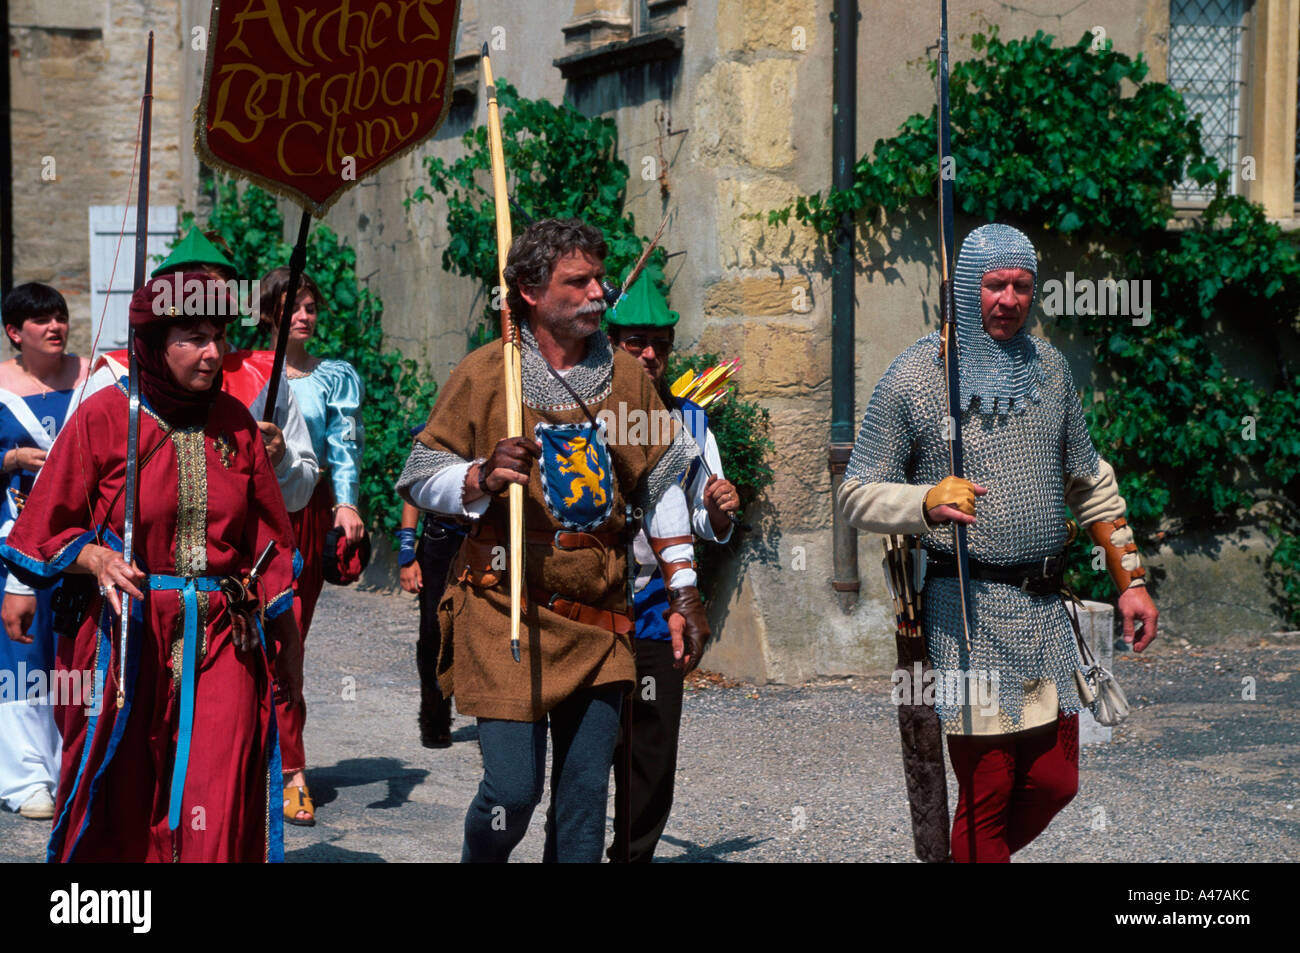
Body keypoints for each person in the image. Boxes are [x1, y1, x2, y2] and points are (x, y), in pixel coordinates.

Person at [837, 223, 1159, 863]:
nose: (1008, 299)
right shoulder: (917, 377)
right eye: (993, 285)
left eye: (1020, 286)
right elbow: (855, 492)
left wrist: (1133, 580)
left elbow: (1091, 483)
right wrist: (923, 501)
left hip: (1044, 614)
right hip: (966, 615)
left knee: (1056, 781)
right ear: (964, 289)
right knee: (986, 795)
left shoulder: (1050, 371)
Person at [396, 218, 710, 863]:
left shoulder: (624, 378)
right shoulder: (488, 376)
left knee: (585, 795)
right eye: (580, 280)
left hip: (599, 620)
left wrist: (684, 590)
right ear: (531, 293)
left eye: (599, 277)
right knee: (512, 792)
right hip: (504, 606)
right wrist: (481, 475)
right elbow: (419, 476)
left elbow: (658, 485)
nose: (599, 292)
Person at [0, 273, 303, 862]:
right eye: (192, 337)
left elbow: (272, 542)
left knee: (216, 783)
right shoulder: (105, 418)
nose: (213, 352)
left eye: (217, 336)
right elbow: (43, 527)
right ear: (155, 343)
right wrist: (93, 556)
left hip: (224, 635)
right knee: (124, 790)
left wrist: (287, 645)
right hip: (126, 634)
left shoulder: (238, 426)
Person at [603, 273, 740, 862]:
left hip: (661, 609)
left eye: (659, 341)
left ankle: (631, 857)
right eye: (636, 342)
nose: (651, 354)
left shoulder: (693, 425)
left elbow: (707, 527)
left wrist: (719, 510)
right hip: (590, 604)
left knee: (652, 749)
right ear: (612, 343)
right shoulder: (584, 415)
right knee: (585, 755)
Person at [87, 229, 319, 513]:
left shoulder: (265, 375)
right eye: (191, 294)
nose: (204, 302)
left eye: (214, 292)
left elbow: (300, 494)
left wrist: (282, 459)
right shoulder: (115, 374)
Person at [259, 266, 364, 827]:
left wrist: (346, 503)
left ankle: (293, 770)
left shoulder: (335, 376)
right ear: (270, 311)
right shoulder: (240, 371)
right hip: (248, 519)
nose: (304, 315)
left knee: (289, 640)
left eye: (310, 306)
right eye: (293, 306)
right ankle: (259, 760)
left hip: (308, 512)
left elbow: (344, 444)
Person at [0, 283, 90, 821]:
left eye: (60, 317)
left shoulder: (98, 376)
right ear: (16, 332)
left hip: (85, 540)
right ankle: (26, 776)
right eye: (41, 321)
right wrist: (10, 460)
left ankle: (74, 766)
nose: (55, 327)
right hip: (14, 538)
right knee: (23, 660)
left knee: (77, 654)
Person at [397, 489, 464, 749]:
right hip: (439, 539)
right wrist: (406, 554)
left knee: (489, 632)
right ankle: (434, 720)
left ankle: (493, 723)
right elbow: (410, 489)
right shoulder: (428, 446)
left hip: (490, 543)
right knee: (433, 633)